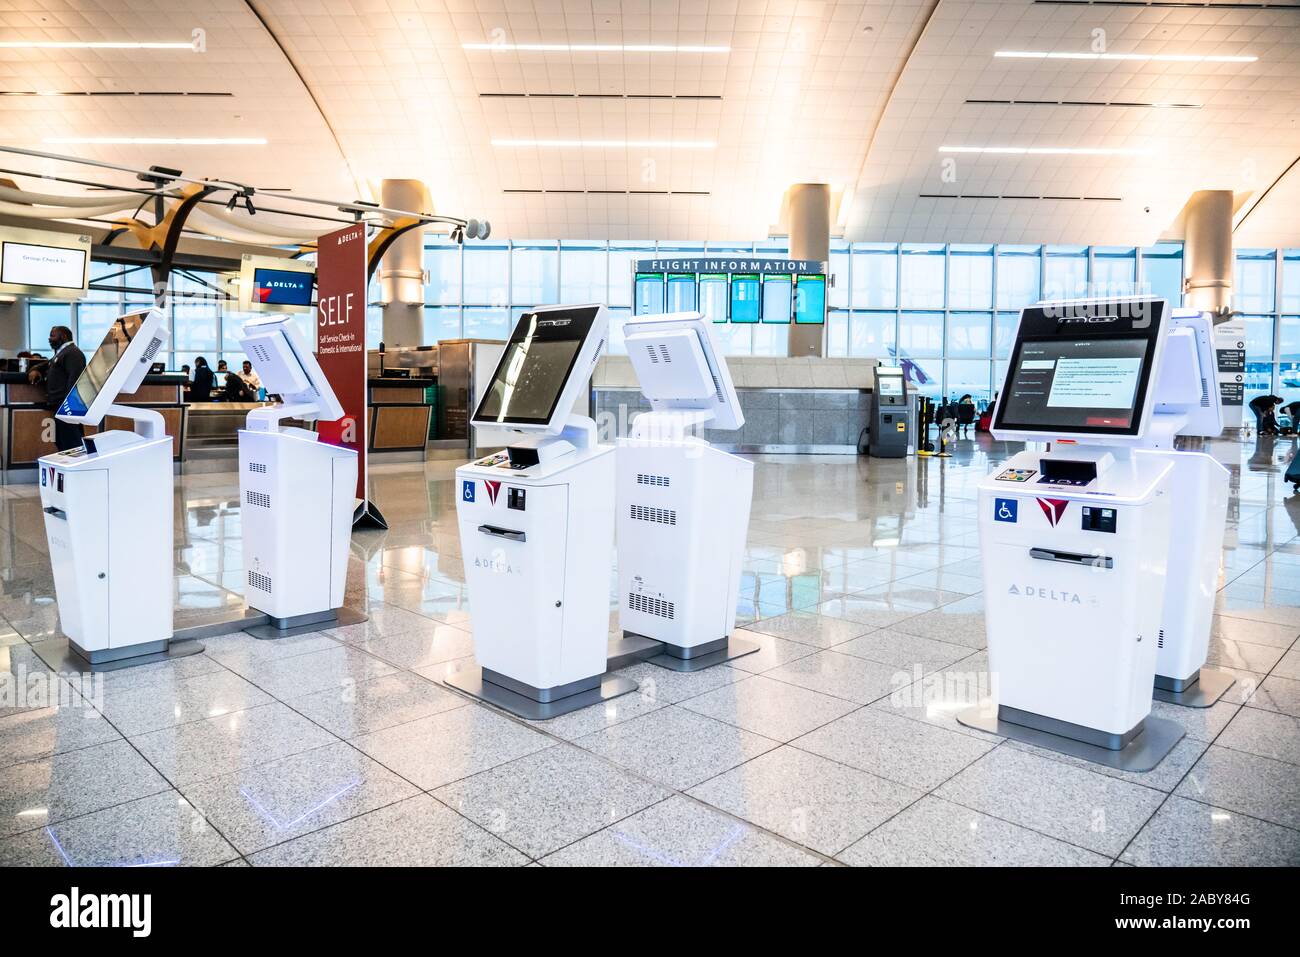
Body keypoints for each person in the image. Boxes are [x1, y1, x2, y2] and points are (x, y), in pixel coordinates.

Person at [27, 325, 87, 452]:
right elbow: (48, 364)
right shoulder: (63, 352)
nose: (49, 339)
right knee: (62, 442)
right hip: (61, 407)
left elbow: (75, 381)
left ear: (64, 336)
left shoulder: (73, 353)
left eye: (52, 335)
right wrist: (35, 370)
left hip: (67, 408)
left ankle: (76, 469)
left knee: (72, 444)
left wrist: (68, 406)